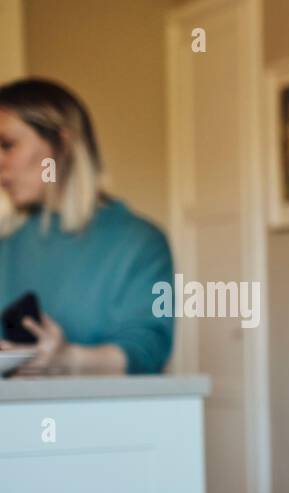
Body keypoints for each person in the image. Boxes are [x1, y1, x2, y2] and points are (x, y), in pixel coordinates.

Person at [0, 78, 173, 374]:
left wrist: (68, 359)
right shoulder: (8, 242)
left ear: (62, 145)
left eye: (7, 144)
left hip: (109, 418)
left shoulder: (139, 243)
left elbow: (147, 350)